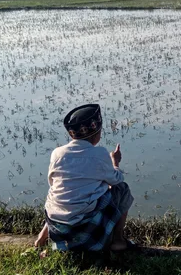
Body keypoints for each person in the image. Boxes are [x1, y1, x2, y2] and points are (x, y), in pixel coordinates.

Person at [34, 104, 134, 251]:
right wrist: (115, 162)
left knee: (58, 193)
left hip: (57, 226)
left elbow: (52, 182)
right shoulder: (99, 154)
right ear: (96, 133)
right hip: (83, 227)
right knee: (122, 189)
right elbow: (116, 179)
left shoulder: (57, 153)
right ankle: (118, 240)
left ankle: (42, 237)